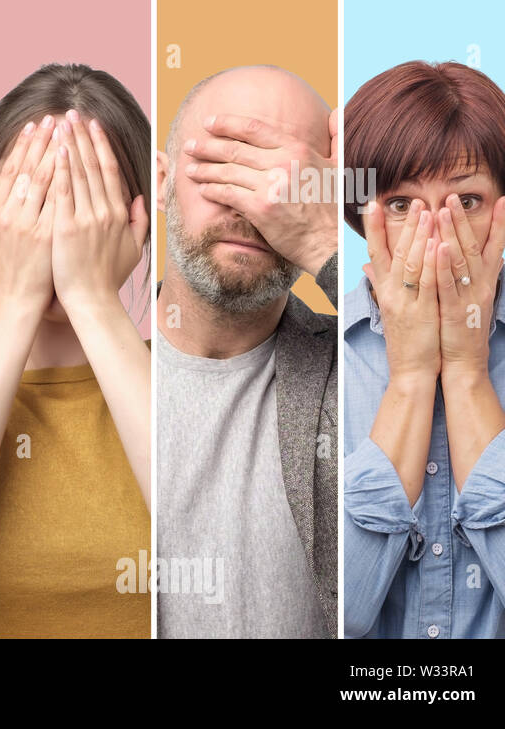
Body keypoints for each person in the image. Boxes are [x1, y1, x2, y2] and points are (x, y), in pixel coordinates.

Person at [342, 61, 505, 639]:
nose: (436, 235)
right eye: (401, 205)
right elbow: (334, 613)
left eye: (466, 201)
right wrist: (411, 379)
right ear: (364, 217)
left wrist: (469, 372)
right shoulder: (316, 354)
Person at [0, 64, 151, 639]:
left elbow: (218, 561)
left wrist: (94, 299)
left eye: (83, 203)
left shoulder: (181, 378)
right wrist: (16, 299)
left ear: (135, 223)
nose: (56, 232)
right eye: (33, 200)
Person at [156, 65, 338, 638]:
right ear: (163, 180)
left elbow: (428, 364)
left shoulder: (357, 366)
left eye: (285, 181)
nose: (252, 205)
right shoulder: (83, 361)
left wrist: (323, 243)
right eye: (224, 166)